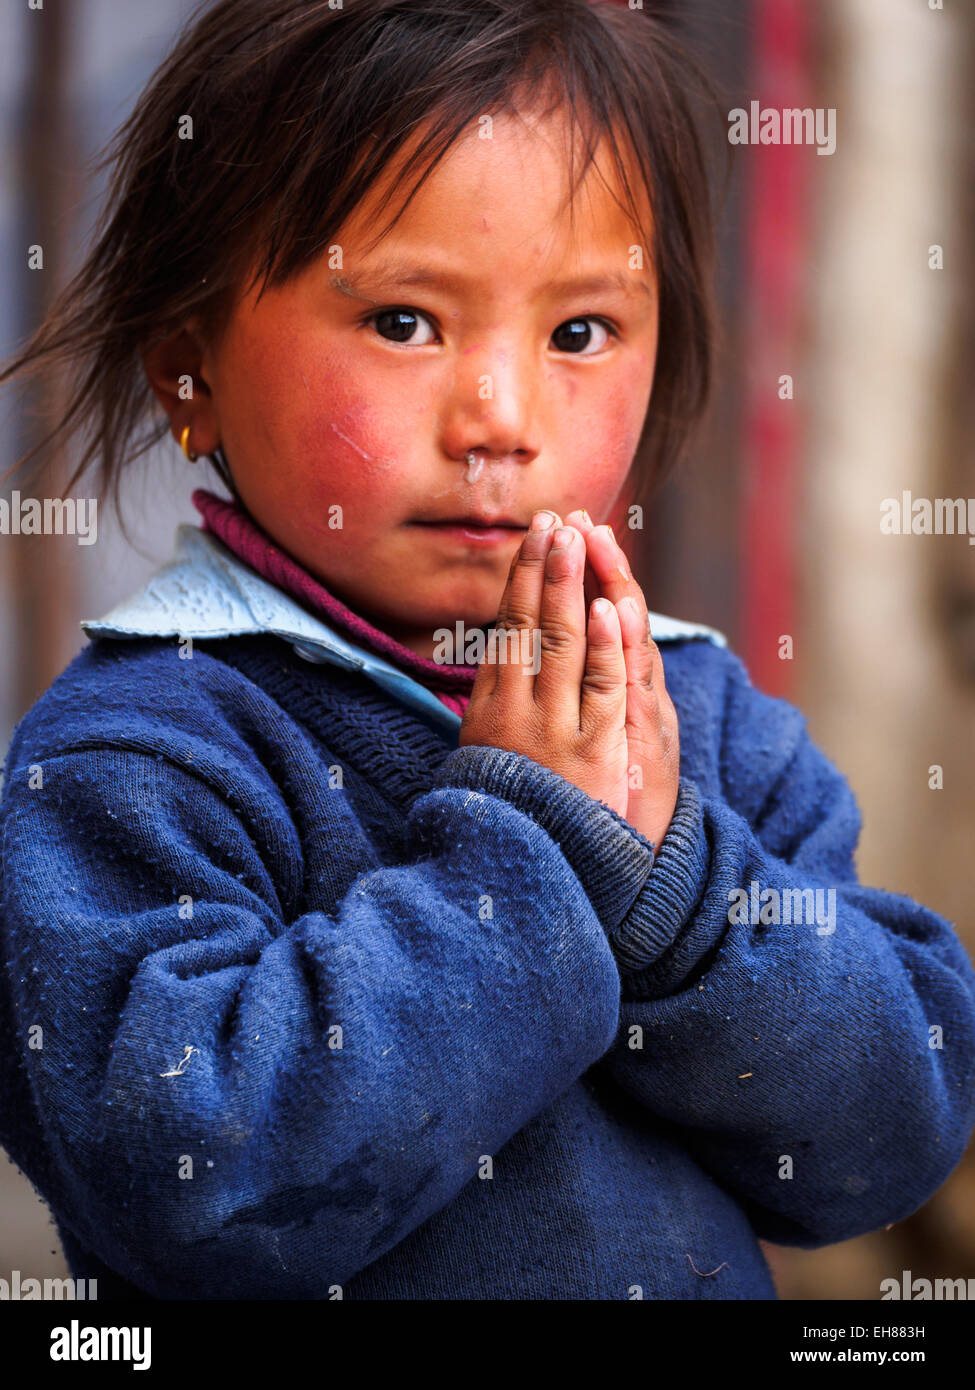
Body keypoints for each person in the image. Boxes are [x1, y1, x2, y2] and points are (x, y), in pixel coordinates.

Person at [1, 0, 973, 1301]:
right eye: (405, 320)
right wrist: (532, 854)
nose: (501, 419)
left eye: (580, 333)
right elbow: (195, 1180)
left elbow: (890, 1133)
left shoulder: (692, 722)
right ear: (189, 370)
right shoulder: (132, 762)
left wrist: (674, 901)